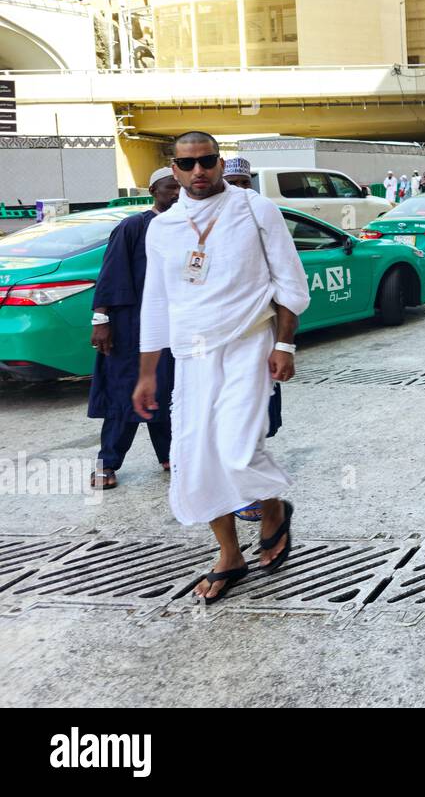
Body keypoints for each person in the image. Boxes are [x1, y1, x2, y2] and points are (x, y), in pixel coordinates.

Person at [133, 132, 311, 603]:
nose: (199, 171)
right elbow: (156, 301)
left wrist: (286, 345)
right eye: (188, 164)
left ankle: (272, 508)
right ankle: (228, 555)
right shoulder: (162, 228)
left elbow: (289, 282)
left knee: (236, 451)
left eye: (208, 161)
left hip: (248, 344)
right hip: (191, 355)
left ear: (218, 162)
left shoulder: (254, 209)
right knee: (196, 458)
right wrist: (148, 372)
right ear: (173, 169)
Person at [87, 168, 181, 489]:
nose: (177, 193)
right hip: (130, 327)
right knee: (124, 395)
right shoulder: (133, 227)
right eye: (170, 187)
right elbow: (110, 274)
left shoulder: (185, 227)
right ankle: (107, 464)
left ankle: (170, 455)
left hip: (171, 327)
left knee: (168, 392)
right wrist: (101, 320)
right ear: (153, 189)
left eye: (180, 187)